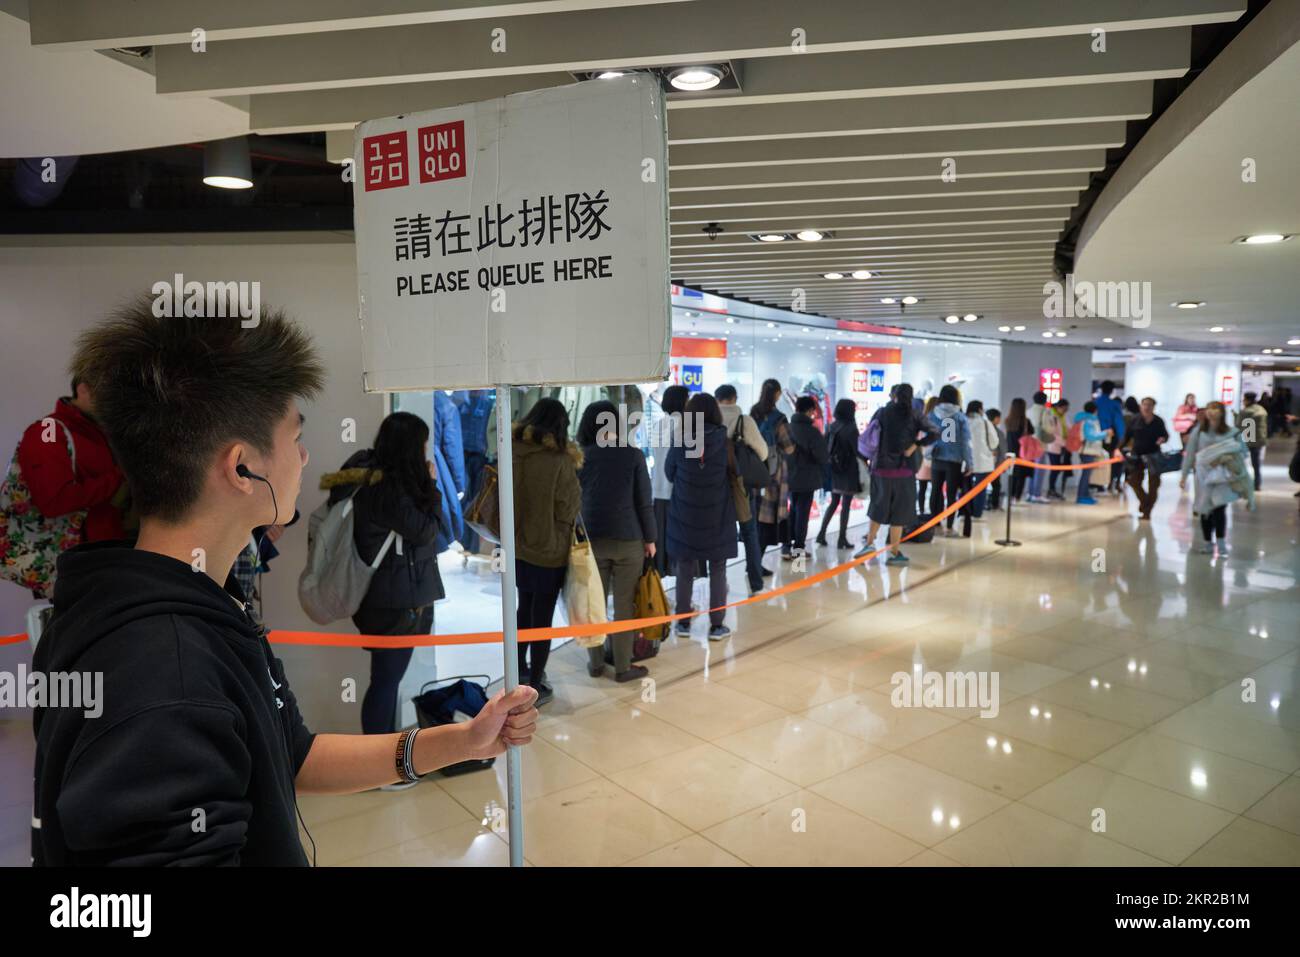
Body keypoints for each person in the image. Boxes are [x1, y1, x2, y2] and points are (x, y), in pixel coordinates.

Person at [32, 299, 537, 866]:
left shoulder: (179, 599)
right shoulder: (166, 673)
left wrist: (460, 742)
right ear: (242, 466)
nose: (302, 457)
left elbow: (291, 754)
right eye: (295, 436)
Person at [321, 412, 446, 752]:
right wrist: (432, 486)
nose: (424, 452)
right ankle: (379, 764)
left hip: (380, 597)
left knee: (385, 681)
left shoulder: (367, 478)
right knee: (386, 683)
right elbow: (427, 531)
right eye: (421, 445)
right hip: (396, 603)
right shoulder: (390, 490)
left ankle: (381, 759)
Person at [8, 378, 129, 597]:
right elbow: (54, 500)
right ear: (83, 388)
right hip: (75, 564)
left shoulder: (101, 431)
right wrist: (120, 477)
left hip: (105, 557)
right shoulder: (49, 429)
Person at [576, 400, 655, 683]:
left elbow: (574, 502)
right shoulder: (632, 455)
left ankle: (596, 663)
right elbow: (644, 502)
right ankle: (623, 667)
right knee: (623, 604)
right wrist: (651, 539)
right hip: (629, 538)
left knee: (593, 602)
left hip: (592, 540)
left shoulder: (581, 456)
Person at [511, 397, 583, 706]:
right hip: (548, 549)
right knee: (542, 616)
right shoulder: (560, 461)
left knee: (522, 608)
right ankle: (536, 681)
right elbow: (568, 507)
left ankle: (515, 672)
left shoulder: (513, 450)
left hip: (516, 546)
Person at [666, 392, 737, 641]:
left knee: (684, 568)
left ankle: (683, 622)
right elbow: (733, 472)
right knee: (718, 569)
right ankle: (717, 626)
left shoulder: (681, 439)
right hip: (718, 514)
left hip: (685, 514)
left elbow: (669, 473)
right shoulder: (724, 440)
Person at [855, 383, 937, 564]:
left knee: (878, 507)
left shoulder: (882, 412)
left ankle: (869, 544)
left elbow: (871, 434)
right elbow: (935, 432)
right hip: (904, 470)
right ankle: (894, 553)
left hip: (881, 469)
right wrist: (915, 445)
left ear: (894, 396)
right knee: (900, 513)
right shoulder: (915, 415)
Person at [1180, 400, 1253, 554]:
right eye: (1210, 408)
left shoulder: (1232, 432)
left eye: (1216, 408)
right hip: (1203, 477)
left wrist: (1224, 459)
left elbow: (1242, 452)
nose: (1212, 412)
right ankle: (1207, 543)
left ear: (1222, 412)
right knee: (1204, 508)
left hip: (1223, 476)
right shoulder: (1199, 431)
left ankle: (1220, 544)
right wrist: (1184, 475)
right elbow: (1190, 454)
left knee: (1220, 507)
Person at [716, 383, 769, 592]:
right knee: (749, 531)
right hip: (741, 485)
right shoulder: (744, 421)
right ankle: (755, 580)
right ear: (735, 398)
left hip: (716, 484)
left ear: (717, 399)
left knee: (719, 531)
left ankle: (720, 582)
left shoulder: (708, 419)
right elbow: (763, 452)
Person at [751, 378, 795, 560]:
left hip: (754, 468)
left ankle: (754, 562)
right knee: (769, 517)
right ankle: (758, 562)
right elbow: (789, 447)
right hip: (774, 471)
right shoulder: (780, 418)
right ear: (777, 394)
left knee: (756, 516)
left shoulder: (753, 412)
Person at [649, 384, 688, 577]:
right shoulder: (686, 425)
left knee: (663, 539)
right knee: (682, 543)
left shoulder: (658, 425)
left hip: (659, 489)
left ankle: (663, 579)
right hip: (680, 492)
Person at [785, 394, 829, 554]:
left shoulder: (787, 428)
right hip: (807, 478)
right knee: (802, 514)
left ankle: (785, 547)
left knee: (792, 511)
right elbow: (823, 457)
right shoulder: (812, 432)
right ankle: (798, 551)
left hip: (788, 477)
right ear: (810, 410)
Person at [927, 385, 972, 536]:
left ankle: (935, 523)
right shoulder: (960, 416)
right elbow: (965, 442)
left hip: (937, 457)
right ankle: (950, 526)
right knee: (952, 494)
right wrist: (969, 463)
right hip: (954, 461)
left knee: (935, 491)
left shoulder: (933, 414)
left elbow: (927, 434)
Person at [816, 398, 861, 549]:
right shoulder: (851, 428)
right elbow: (857, 450)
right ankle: (842, 538)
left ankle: (821, 533)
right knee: (846, 505)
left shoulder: (831, 426)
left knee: (834, 502)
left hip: (833, 469)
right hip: (848, 469)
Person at [1121, 396, 1170, 520]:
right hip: (1137, 455)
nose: (1147, 407)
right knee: (1134, 481)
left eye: (1150, 405)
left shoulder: (1158, 421)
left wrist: (1162, 439)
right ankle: (1145, 502)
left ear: (1153, 407)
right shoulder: (1134, 420)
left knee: (1154, 484)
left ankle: (1147, 511)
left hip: (1154, 455)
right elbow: (1126, 436)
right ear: (1141, 406)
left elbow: (1165, 435)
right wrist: (1119, 449)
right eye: (1145, 404)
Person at [1072, 401, 1111, 505]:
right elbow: (1091, 436)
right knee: (1086, 475)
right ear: (1095, 410)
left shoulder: (1085, 420)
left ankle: (1085, 495)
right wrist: (1105, 433)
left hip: (1089, 450)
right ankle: (1081, 496)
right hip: (1088, 450)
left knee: (1087, 475)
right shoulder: (1089, 421)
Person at [966, 400, 998, 519]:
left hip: (966, 460)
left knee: (966, 488)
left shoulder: (963, 421)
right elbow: (994, 442)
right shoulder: (985, 423)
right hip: (983, 460)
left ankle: (965, 512)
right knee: (980, 488)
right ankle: (977, 513)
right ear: (980, 410)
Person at [1095, 380, 1127, 493]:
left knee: (1099, 459)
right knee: (1115, 460)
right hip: (1111, 435)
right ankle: (1113, 482)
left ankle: (1099, 483)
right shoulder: (1114, 404)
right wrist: (1122, 436)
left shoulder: (1095, 402)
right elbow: (1118, 421)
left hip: (1096, 435)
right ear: (1112, 390)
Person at [1002, 398, 1034, 503]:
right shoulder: (1025, 422)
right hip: (1022, 452)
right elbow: (1032, 431)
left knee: (1012, 475)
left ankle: (1010, 495)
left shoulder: (1007, 420)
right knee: (1021, 476)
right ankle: (1017, 497)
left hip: (1010, 451)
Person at [1025, 391, 1055, 503]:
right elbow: (1049, 428)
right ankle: (1037, 494)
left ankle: (1029, 493)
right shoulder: (1046, 411)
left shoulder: (1028, 411)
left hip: (1029, 442)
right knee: (1040, 469)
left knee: (1031, 468)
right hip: (1040, 443)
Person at [1236, 392, 1268, 491]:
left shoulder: (1245, 412)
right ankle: (1257, 484)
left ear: (1247, 400)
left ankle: (1241, 483)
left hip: (1246, 440)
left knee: (1239, 463)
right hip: (1258, 440)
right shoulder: (1261, 410)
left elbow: (1238, 426)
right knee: (1256, 464)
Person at [915, 395, 940, 506]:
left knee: (922, 487)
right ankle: (935, 514)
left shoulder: (922, 420)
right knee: (936, 489)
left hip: (923, 457)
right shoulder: (940, 421)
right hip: (936, 457)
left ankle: (921, 511)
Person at [1045, 399, 1071, 499]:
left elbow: (1068, 428)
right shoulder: (1052, 416)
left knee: (1058, 468)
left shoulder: (1063, 417)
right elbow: (1052, 434)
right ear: (1059, 407)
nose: (1066, 411)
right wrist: (1064, 443)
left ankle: (1053, 489)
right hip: (1054, 446)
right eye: (1064, 408)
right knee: (1055, 468)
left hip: (1062, 446)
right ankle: (1051, 489)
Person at [985, 407, 1007, 510]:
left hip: (982, 463)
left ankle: (982, 505)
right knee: (996, 485)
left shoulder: (982, 429)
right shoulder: (998, 432)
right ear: (996, 418)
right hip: (995, 464)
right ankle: (994, 504)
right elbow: (1003, 450)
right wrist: (1003, 464)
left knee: (981, 486)